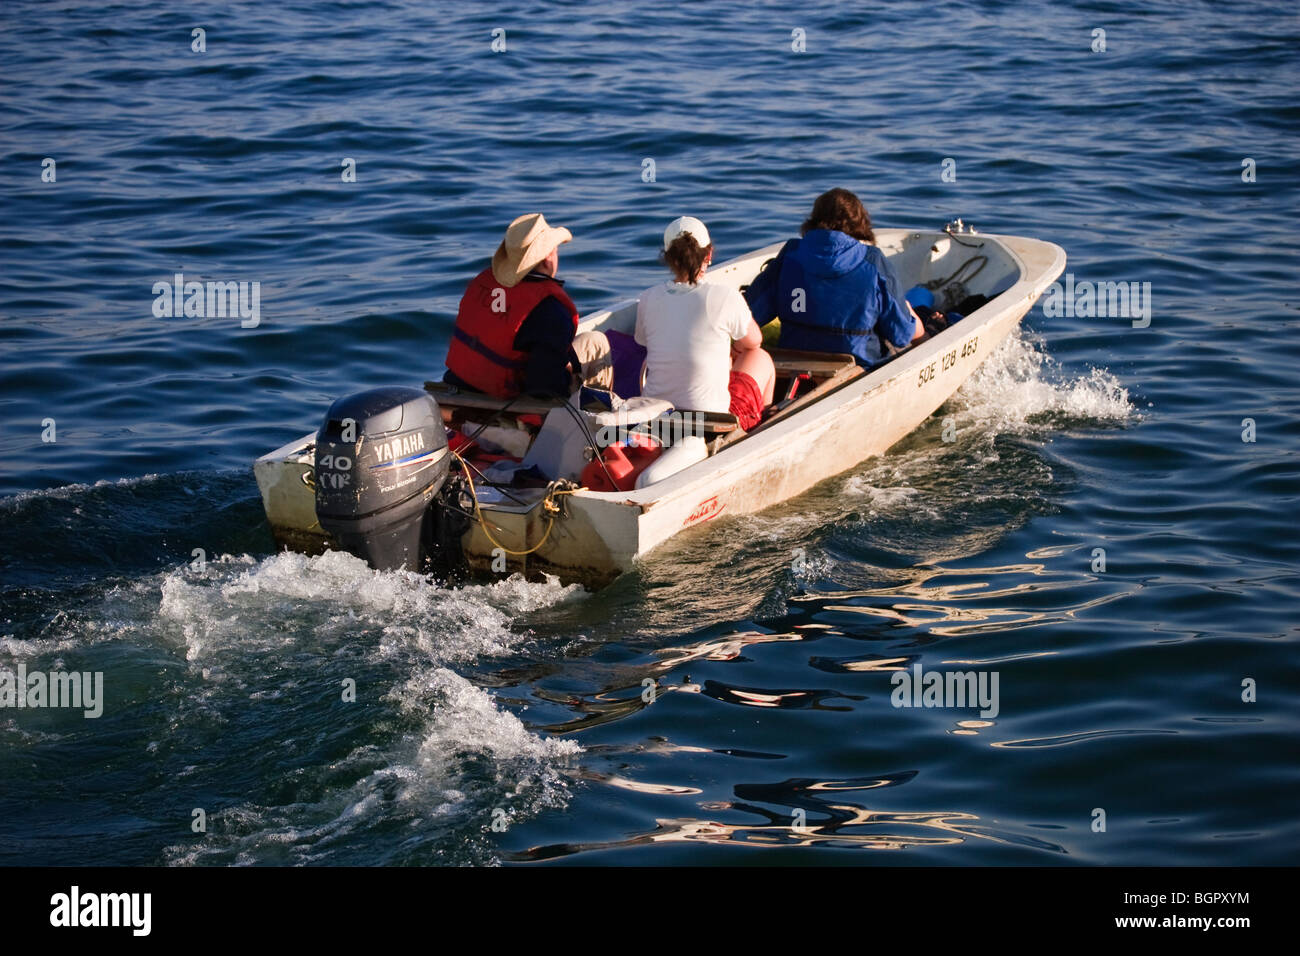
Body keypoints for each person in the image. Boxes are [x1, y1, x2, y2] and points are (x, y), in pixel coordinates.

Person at [743, 188, 927, 368]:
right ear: (860, 223)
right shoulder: (873, 261)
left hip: (793, 360)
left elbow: (749, 315)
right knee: (917, 322)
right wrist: (911, 317)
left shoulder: (790, 254)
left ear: (814, 220)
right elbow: (901, 335)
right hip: (859, 364)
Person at [444, 213, 611, 398]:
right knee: (597, 343)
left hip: (461, 390)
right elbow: (546, 389)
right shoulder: (551, 309)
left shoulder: (482, 283)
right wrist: (568, 373)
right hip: (511, 407)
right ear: (548, 258)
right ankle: (596, 418)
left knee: (586, 342)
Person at [635, 217, 775, 431]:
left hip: (658, 419)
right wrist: (734, 349)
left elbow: (647, 342)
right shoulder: (725, 296)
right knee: (760, 357)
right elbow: (754, 341)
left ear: (668, 258)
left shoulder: (648, 298)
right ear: (708, 255)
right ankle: (756, 428)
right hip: (712, 424)